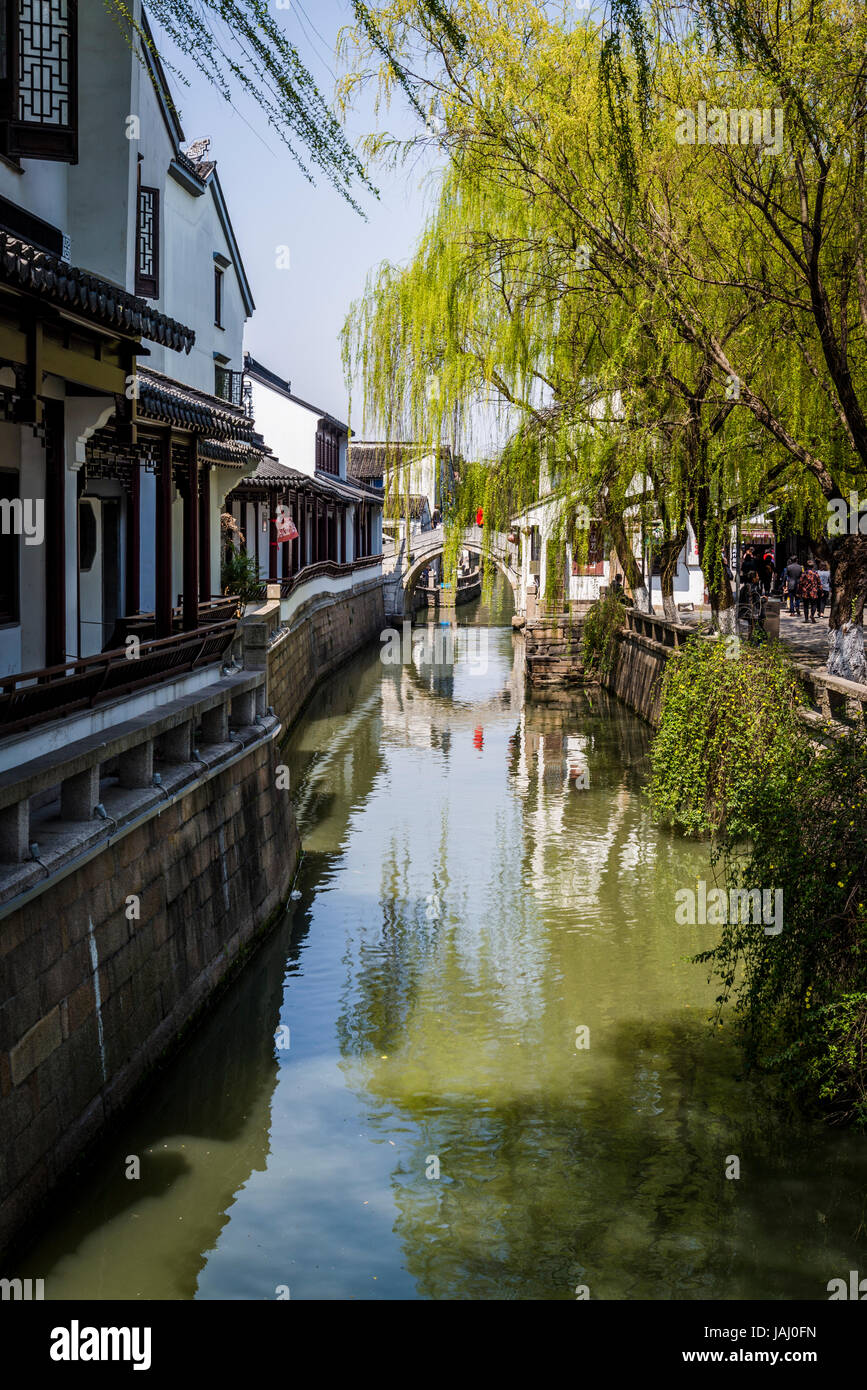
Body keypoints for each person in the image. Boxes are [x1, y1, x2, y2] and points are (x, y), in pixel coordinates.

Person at [798, 560, 821, 624]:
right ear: (813, 566)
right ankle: (812, 615)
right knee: (814, 604)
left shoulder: (804, 573)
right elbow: (819, 583)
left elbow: (800, 583)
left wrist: (799, 591)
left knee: (806, 605)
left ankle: (806, 619)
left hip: (805, 592)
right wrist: (820, 591)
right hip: (813, 592)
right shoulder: (816, 574)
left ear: (807, 566)